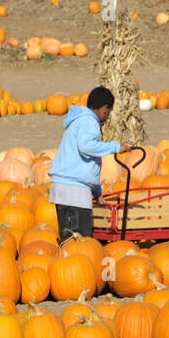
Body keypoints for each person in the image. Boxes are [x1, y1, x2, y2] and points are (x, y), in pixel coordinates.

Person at [48, 86, 121, 243]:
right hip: (72, 192)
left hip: (68, 189)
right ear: (104, 108)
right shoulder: (88, 121)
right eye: (109, 111)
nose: (107, 116)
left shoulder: (81, 121)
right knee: (78, 242)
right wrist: (115, 147)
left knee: (74, 239)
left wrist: (97, 191)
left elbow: (88, 163)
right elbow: (87, 147)